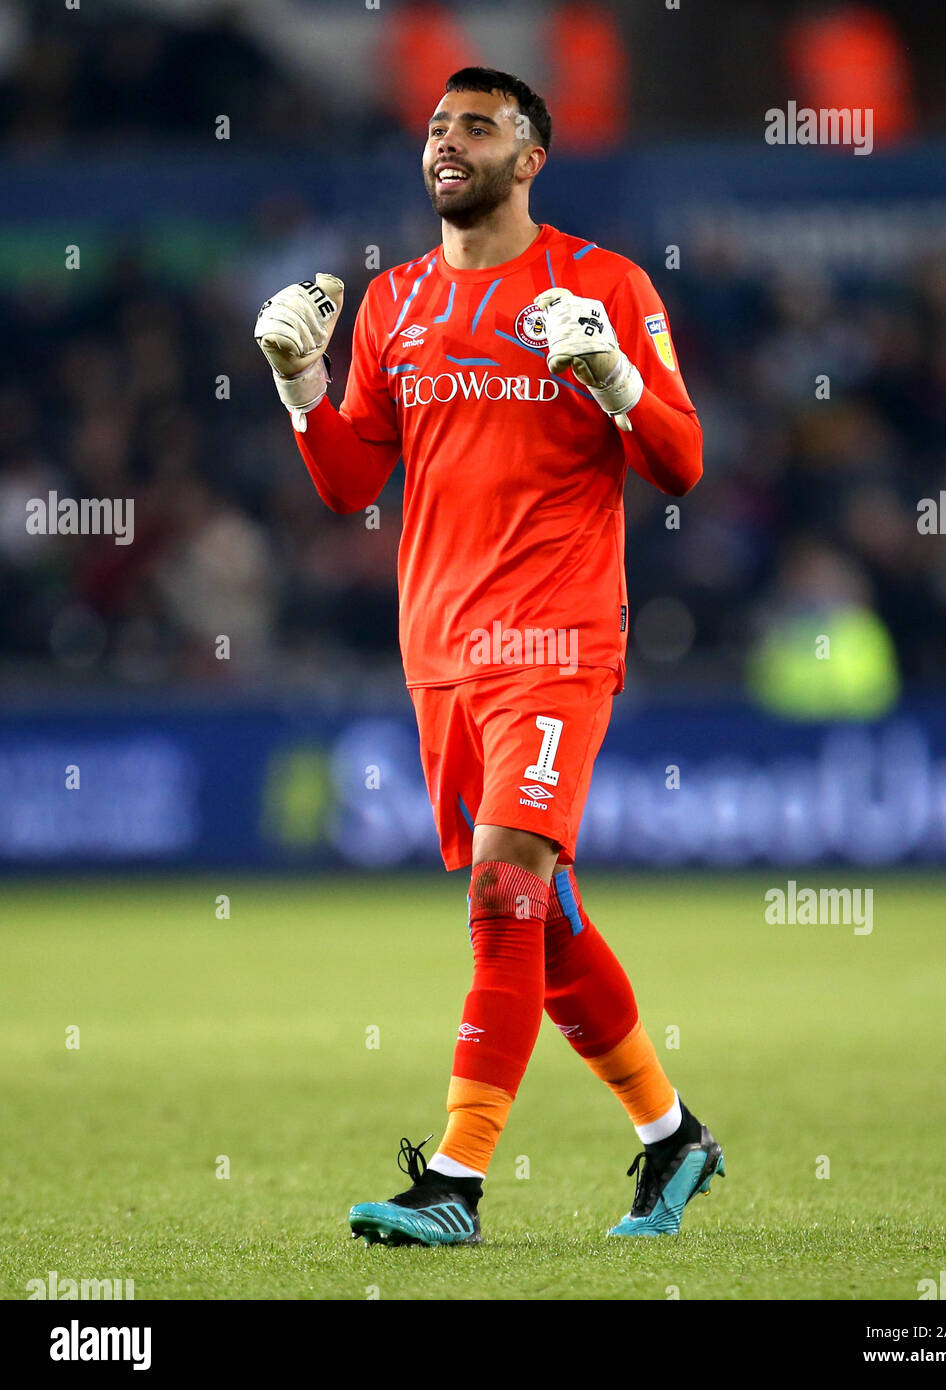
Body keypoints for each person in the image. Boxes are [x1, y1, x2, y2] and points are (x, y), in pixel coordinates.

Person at [254, 66, 722, 1246]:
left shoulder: (598, 284)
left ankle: (455, 1182)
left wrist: (612, 374)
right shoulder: (395, 303)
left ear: (532, 157)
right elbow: (350, 482)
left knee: (504, 886)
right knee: (541, 915)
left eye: (477, 125)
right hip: (441, 656)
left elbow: (680, 462)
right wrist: (300, 380)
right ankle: (673, 1140)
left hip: (556, 641)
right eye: (434, 126)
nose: (446, 141)